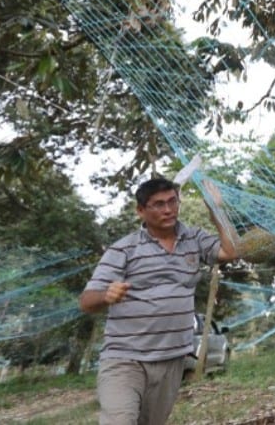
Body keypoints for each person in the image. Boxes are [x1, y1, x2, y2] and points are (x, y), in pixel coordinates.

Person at [79, 176, 239, 425]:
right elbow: (87, 301)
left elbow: (230, 251)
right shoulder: (124, 249)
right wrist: (105, 295)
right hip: (125, 358)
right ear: (141, 211)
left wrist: (215, 208)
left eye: (173, 201)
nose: (168, 209)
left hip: (172, 359)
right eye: (158, 204)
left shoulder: (194, 239)